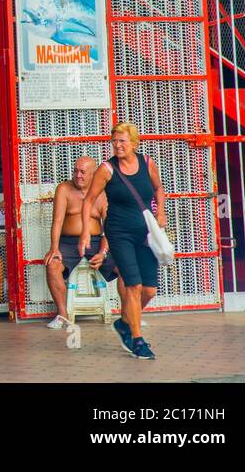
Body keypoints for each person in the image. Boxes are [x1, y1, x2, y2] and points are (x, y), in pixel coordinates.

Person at [79, 123, 166, 361]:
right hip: (119, 233)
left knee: (149, 290)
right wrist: (86, 233)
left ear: (134, 143)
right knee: (133, 287)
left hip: (146, 234)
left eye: (122, 141)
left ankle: (125, 322)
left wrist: (161, 213)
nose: (117, 145)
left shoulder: (147, 163)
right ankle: (137, 340)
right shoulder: (106, 169)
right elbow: (89, 201)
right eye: (114, 141)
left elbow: (158, 189)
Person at [43, 156, 121, 329]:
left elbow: (109, 227)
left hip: (96, 242)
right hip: (69, 242)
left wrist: (103, 252)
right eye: (76, 170)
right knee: (52, 265)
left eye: (83, 172)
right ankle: (62, 315)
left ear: (93, 175)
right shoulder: (64, 189)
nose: (78, 175)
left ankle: (129, 317)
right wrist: (54, 248)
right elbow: (57, 221)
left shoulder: (103, 193)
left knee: (126, 267)